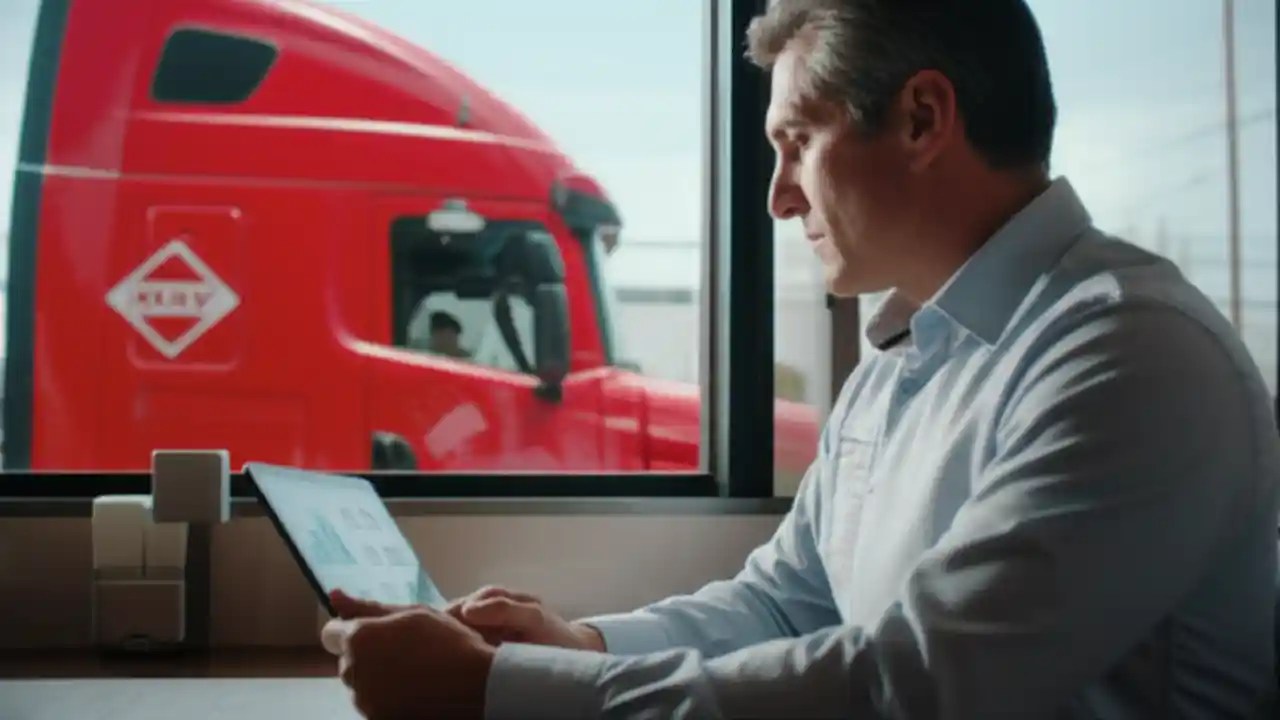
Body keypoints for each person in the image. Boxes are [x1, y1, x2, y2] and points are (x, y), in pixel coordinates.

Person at [320, 1, 1280, 717]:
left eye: (797, 142)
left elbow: (918, 685)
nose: (778, 198)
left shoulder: (1126, 358)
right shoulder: (909, 359)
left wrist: (504, 693)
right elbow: (790, 602)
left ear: (921, 118)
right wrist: (576, 645)